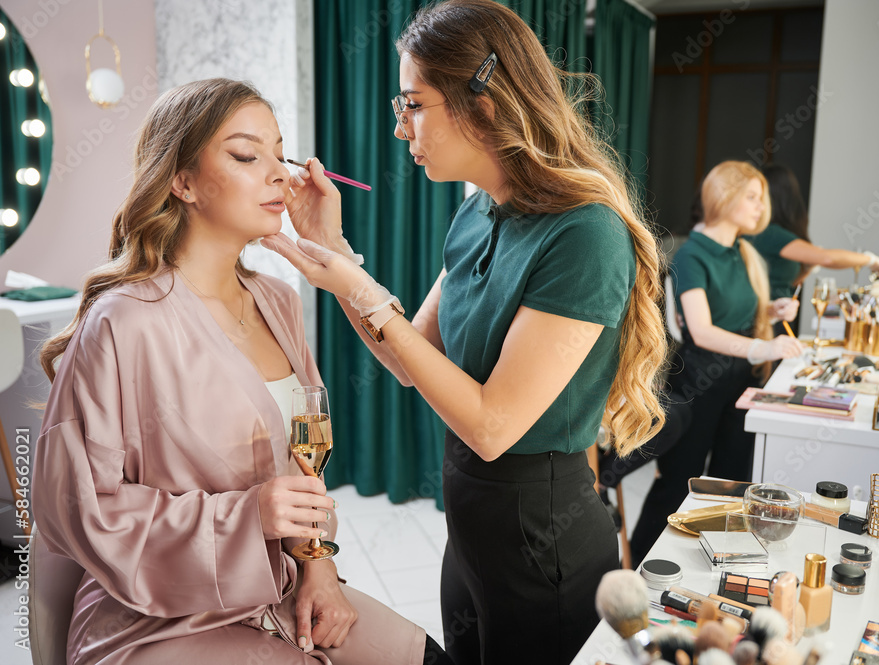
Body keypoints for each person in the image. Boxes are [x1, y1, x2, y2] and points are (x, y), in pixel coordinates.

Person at [260, 2, 666, 663]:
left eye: (414, 104)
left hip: (543, 540)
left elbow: (493, 424)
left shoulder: (584, 234)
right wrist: (335, 250)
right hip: (472, 533)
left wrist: (356, 287)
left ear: (484, 103)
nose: (401, 128)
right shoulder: (477, 212)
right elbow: (406, 358)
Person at [32, 78, 443, 665]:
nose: (279, 173)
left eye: (280, 152)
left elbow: (310, 445)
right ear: (182, 181)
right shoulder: (124, 323)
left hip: (276, 587)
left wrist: (319, 566)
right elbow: (79, 507)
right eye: (248, 155)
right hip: (154, 617)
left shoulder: (278, 300)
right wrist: (247, 516)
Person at [627, 161, 805, 564]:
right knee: (679, 482)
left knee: (732, 483)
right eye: (753, 197)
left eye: (763, 199)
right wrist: (761, 348)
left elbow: (736, 317)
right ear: (723, 197)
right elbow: (703, 331)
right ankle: (640, 563)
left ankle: (715, 562)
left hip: (742, 385)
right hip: (698, 382)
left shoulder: (744, 251)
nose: (762, 207)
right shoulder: (692, 255)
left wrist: (772, 313)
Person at [749, 164, 879, 302]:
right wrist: (874, 260)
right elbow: (828, 258)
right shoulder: (769, 234)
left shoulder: (774, 234)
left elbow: (787, 282)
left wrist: (807, 268)